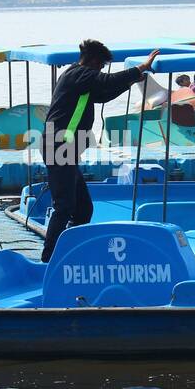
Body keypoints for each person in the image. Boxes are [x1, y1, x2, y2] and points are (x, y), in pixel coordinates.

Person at [40, 41, 161, 263]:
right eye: (102, 66)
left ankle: (70, 251)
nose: (102, 71)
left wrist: (132, 80)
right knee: (64, 206)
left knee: (83, 208)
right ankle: (49, 259)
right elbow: (107, 80)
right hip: (58, 146)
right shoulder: (78, 74)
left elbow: (104, 94)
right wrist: (140, 68)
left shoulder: (81, 80)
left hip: (65, 148)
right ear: (95, 62)